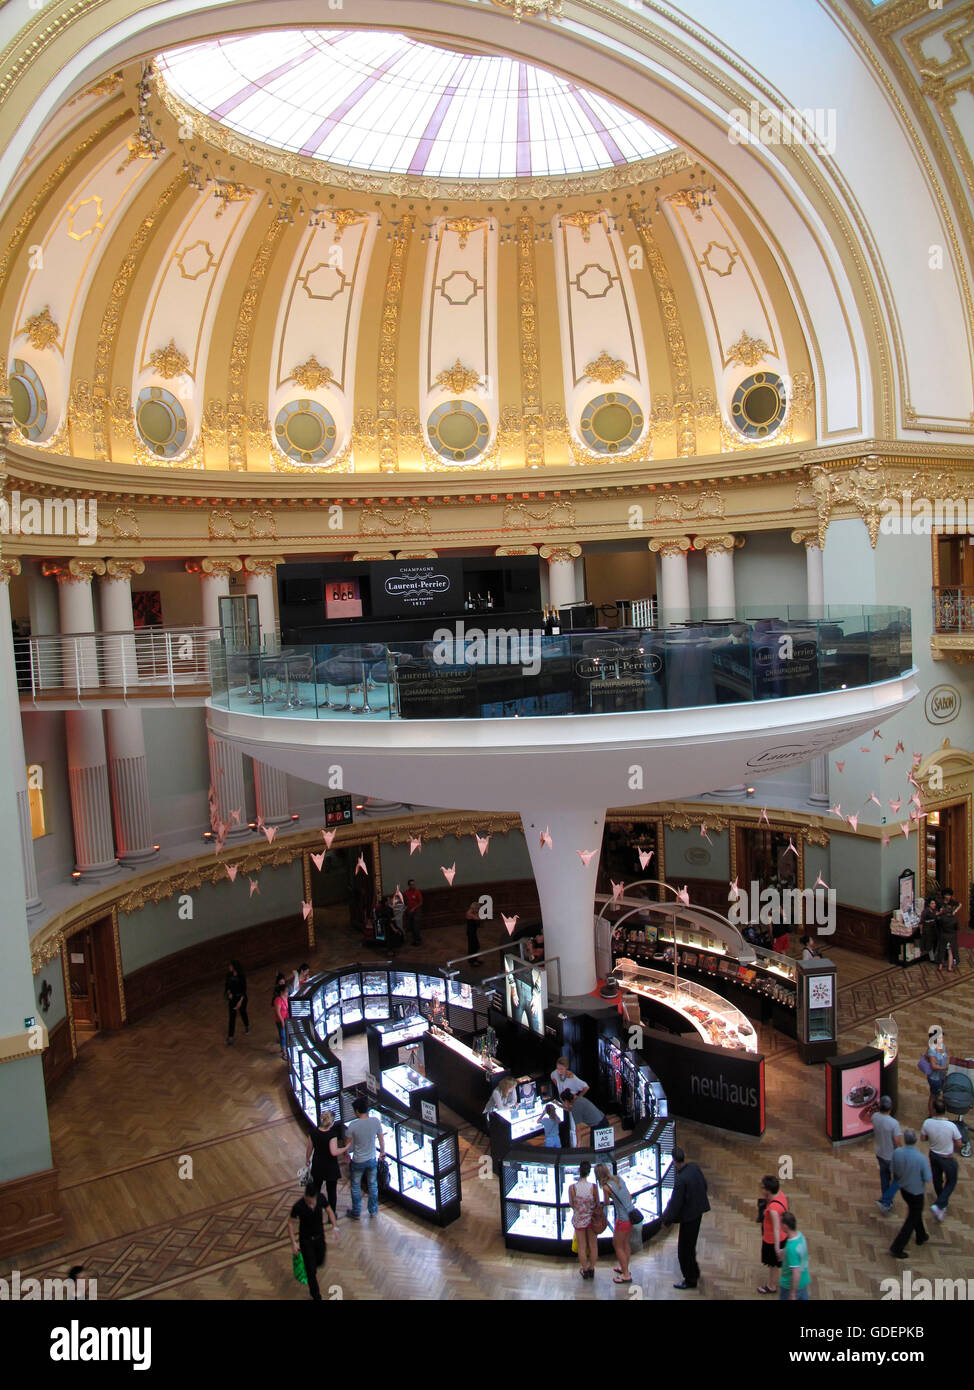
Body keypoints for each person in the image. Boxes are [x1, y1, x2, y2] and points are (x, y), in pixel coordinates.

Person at [662, 1146, 710, 1290]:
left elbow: (675, 1204)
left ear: (674, 1161)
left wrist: (667, 1221)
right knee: (690, 1245)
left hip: (688, 1217)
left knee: (684, 1250)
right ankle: (694, 1272)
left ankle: (690, 1279)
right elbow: (704, 1185)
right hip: (698, 1212)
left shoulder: (680, 1180)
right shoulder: (694, 1168)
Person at [287, 1181, 338, 1301]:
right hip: (306, 1241)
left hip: (320, 1237)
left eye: (312, 1200)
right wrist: (293, 1243)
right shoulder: (298, 1206)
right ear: (305, 1196)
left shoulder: (321, 1198)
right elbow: (290, 1224)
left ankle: (312, 1266)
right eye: (308, 1200)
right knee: (311, 1271)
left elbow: (329, 1211)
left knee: (319, 1261)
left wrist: (335, 1226)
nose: (311, 1202)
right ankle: (316, 1296)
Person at [889, 1129, 932, 1257]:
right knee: (912, 1218)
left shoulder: (897, 1153)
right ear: (915, 1141)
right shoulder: (921, 1159)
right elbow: (928, 1178)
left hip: (904, 1190)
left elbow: (893, 1169)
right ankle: (897, 1247)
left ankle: (921, 1235)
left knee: (915, 1212)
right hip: (916, 1192)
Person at [920, 1097, 962, 1221]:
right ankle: (940, 1204)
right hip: (947, 1158)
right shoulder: (951, 1126)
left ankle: (941, 1204)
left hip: (933, 1155)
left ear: (933, 1110)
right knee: (951, 1181)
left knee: (937, 1180)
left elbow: (923, 1138)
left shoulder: (927, 1123)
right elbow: (959, 1144)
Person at [345, 1096, 386, 1220]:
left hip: (358, 1160)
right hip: (371, 1159)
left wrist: (346, 1156)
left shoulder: (353, 1125)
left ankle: (356, 1211)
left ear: (357, 1111)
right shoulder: (375, 1121)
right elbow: (381, 1139)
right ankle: (373, 1210)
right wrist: (382, 1153)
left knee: (356, 1186)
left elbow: (347, 1145)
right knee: (373, 1185)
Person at [595, 1162, 634, 1284]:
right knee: (625, 1243)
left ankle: (626, 1274)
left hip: (622, 1219)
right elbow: (629, 1195)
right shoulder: (618, 1178)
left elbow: (606, 1203)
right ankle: (624, 1268)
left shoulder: (606, 1187)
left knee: (617, 1245)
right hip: (631, 1215)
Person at [307, 1108, 349, 1215]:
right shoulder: (332, 1135)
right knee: (331, 1192)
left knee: (316, 1189)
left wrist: (307, 1159)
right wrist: (345, 1148)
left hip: (317, 1164)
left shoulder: (313, 1132)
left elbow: (309, 1148)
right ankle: (332, 1214)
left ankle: (314, 1212)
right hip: (330, 1166)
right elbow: (334, 1152)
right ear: (331, 1123)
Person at [757, 1175, 788, 1294]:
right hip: (781, 1237)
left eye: (764, 1188)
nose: (762, 1190)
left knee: (773, 1265)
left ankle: (771, 1286)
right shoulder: (780, 1194)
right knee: (775, 1264)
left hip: (773, 1240)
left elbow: (776, 1228)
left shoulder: (774, 1209)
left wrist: (776, 1249)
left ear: (768, 1191)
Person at [568, 1159, 599, 1280]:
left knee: (581, 1246)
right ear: (589, 1172)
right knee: (593, 1245)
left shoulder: (572, 1188)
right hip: (592, 1220)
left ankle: (584, 1270)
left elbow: (571, 1204)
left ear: (579, 1171)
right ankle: (592, 1269)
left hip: (579, 1220)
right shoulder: (594, 1187)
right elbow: (597, 1203)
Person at [872, 1095, 903, 1212]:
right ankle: (885, 1200)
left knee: (884, 1177)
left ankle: (887, 1204)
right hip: (891, 1156)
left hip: (880, 1153)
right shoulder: (893, 1123)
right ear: (891, 1107)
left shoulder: (874, 1117)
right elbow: (897, 1141)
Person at [778, 1211, 811, 1301]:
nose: (779, 1224)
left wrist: (792, 1294)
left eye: (781, 1222)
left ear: (785, 1226)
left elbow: (796, 1272)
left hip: (790, 1285)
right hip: (803, 1281)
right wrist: (783, 1252)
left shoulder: (791, 1249)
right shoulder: (800, 1236)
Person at [924, 1024, 949, 1115]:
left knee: (937, 1095)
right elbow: (933, 1066)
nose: (941, 1038)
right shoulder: (932, 1050)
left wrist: (947, 1065)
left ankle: (936, 1111)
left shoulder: (942, 1046)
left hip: (941, 1076)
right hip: (935, 1078)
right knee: (933, 1096)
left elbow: (946, 1056)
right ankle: (931, 1114)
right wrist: (944, 1068)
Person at [224, 960, 248, 1045]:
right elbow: (227, 986)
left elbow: (244, 990)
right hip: (232, 999)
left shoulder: (241, 976)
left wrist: (240, 1001)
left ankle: (246, 1025)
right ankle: (230, 1037)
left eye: (230, 966)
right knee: (232, 1018)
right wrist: (229, 993)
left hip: (241, 998)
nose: (229, 968)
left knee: (242, 1012)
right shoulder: (229, 975)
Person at [937, 889, 959, 973]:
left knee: (941, 951)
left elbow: (939, 925)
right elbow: (957, 928)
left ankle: (940, 966)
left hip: (943, 936)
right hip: (951, 937)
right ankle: (949, 967)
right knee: (950, 952)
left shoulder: (942, 918)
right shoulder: (954, 920)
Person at [919, 895, 941, 962]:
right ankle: (932, 958)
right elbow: (921, 922)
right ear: (929, 904)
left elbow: (936, 915)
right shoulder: (925, 912)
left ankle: (935, 955)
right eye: (932, 903)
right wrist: (921, 930)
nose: (934, 905)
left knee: (936, 942)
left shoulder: (934, 910)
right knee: (929, 943)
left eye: (934, 903)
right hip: (927, 929)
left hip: (934, 929)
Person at [272, 980, 289, 1061]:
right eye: (286, 991)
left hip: (286, 1020)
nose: (287, 993)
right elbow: (278, 1012)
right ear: (282, 992)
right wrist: (282, 1021)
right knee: (283, 1036)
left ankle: (285, 1049)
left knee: (285, 1035)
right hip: (280, 1021)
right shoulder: (278, 1000)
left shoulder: (286, 998)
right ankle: (284, 1052)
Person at [404, 879, 423, 946]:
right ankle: (415, 939)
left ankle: (418, 941)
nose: (413, 885)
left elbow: (420, 903)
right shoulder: (406, 892)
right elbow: (405, 902)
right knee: (411, 926)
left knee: (416, 926)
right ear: (409, 885)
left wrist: (414, 908)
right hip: (409, 912)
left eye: (414, 884)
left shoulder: (417, 892)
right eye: (411, 884)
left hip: (416, 912)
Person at [465, 900, 483, 965]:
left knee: (475, 946)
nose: (478, 910)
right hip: (471, 932)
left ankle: (475, 960)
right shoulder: (469, 913)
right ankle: (472, 961)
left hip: (473, 932)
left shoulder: (472, 912)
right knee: (472, 947)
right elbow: (478, 918)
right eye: (477, 909)